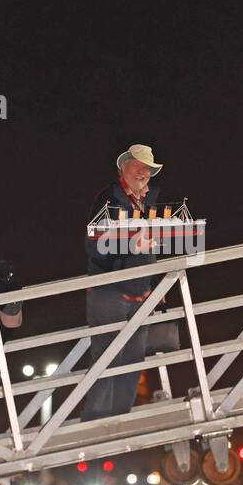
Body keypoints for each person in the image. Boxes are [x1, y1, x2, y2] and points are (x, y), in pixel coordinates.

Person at [82, 144, 165, 419]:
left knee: (132, 360)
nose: (142, 172)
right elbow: (94, 243)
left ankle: (119, 420)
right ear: (123, 168)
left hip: (140, 295)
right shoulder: (108, 198)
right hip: (109, 293)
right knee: (108, 357)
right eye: (137, 166)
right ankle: (96, 422)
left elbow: (154, 246)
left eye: (147, 168)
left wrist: (158, 287)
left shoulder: (150, 201)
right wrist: (131, 243)